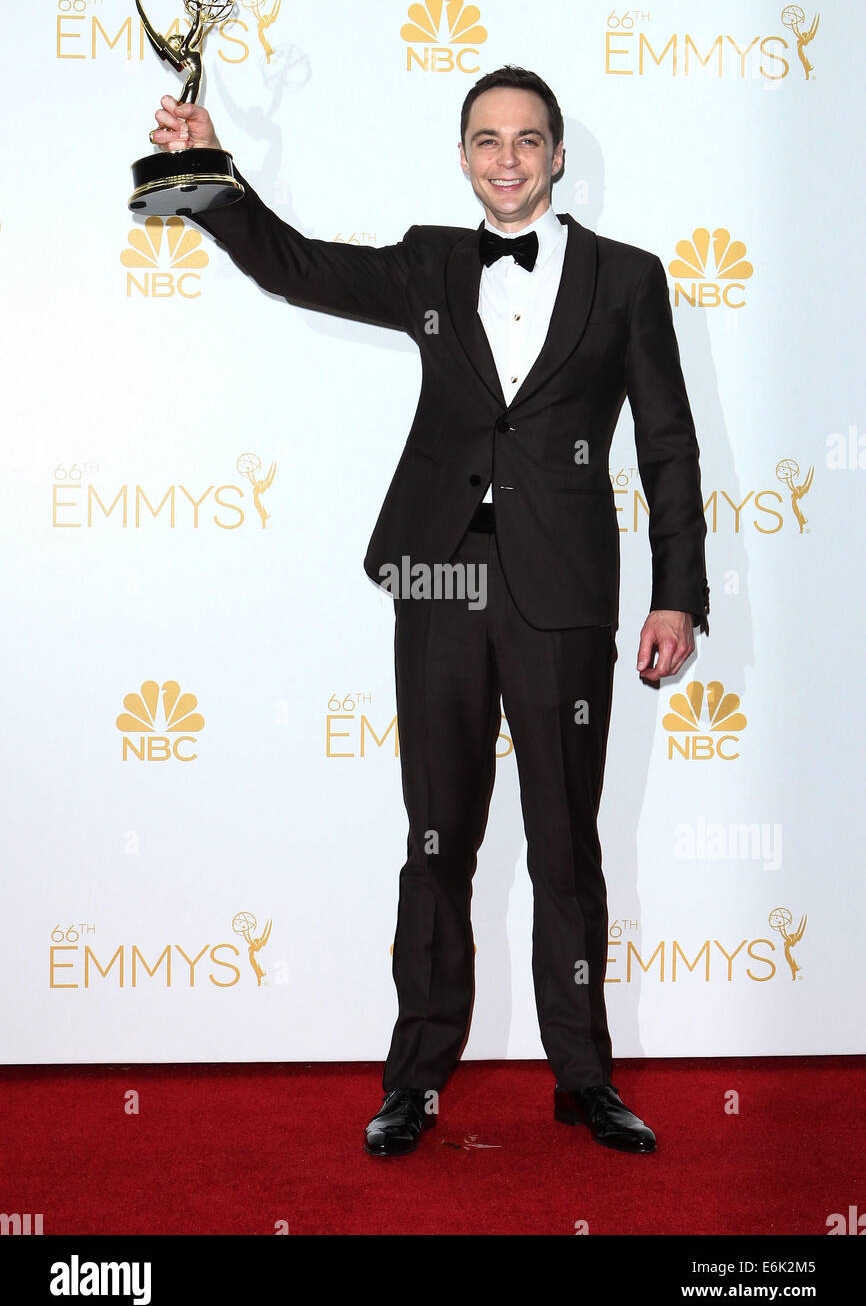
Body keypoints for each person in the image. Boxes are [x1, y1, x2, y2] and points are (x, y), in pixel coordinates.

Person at [150, 65, 709, 1158]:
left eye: (526, 139)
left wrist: (677, 593)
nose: (506, 157)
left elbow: (669, 446)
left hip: (562, 595)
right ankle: (414, 1080)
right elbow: (295, 266)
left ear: (556, 155)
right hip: (439, 579)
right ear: (462, 156)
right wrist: (204, 171)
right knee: (435, 840)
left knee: (565, 846)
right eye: (485, 139)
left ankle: (583, 1079)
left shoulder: (628, 279)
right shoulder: (428, 263)